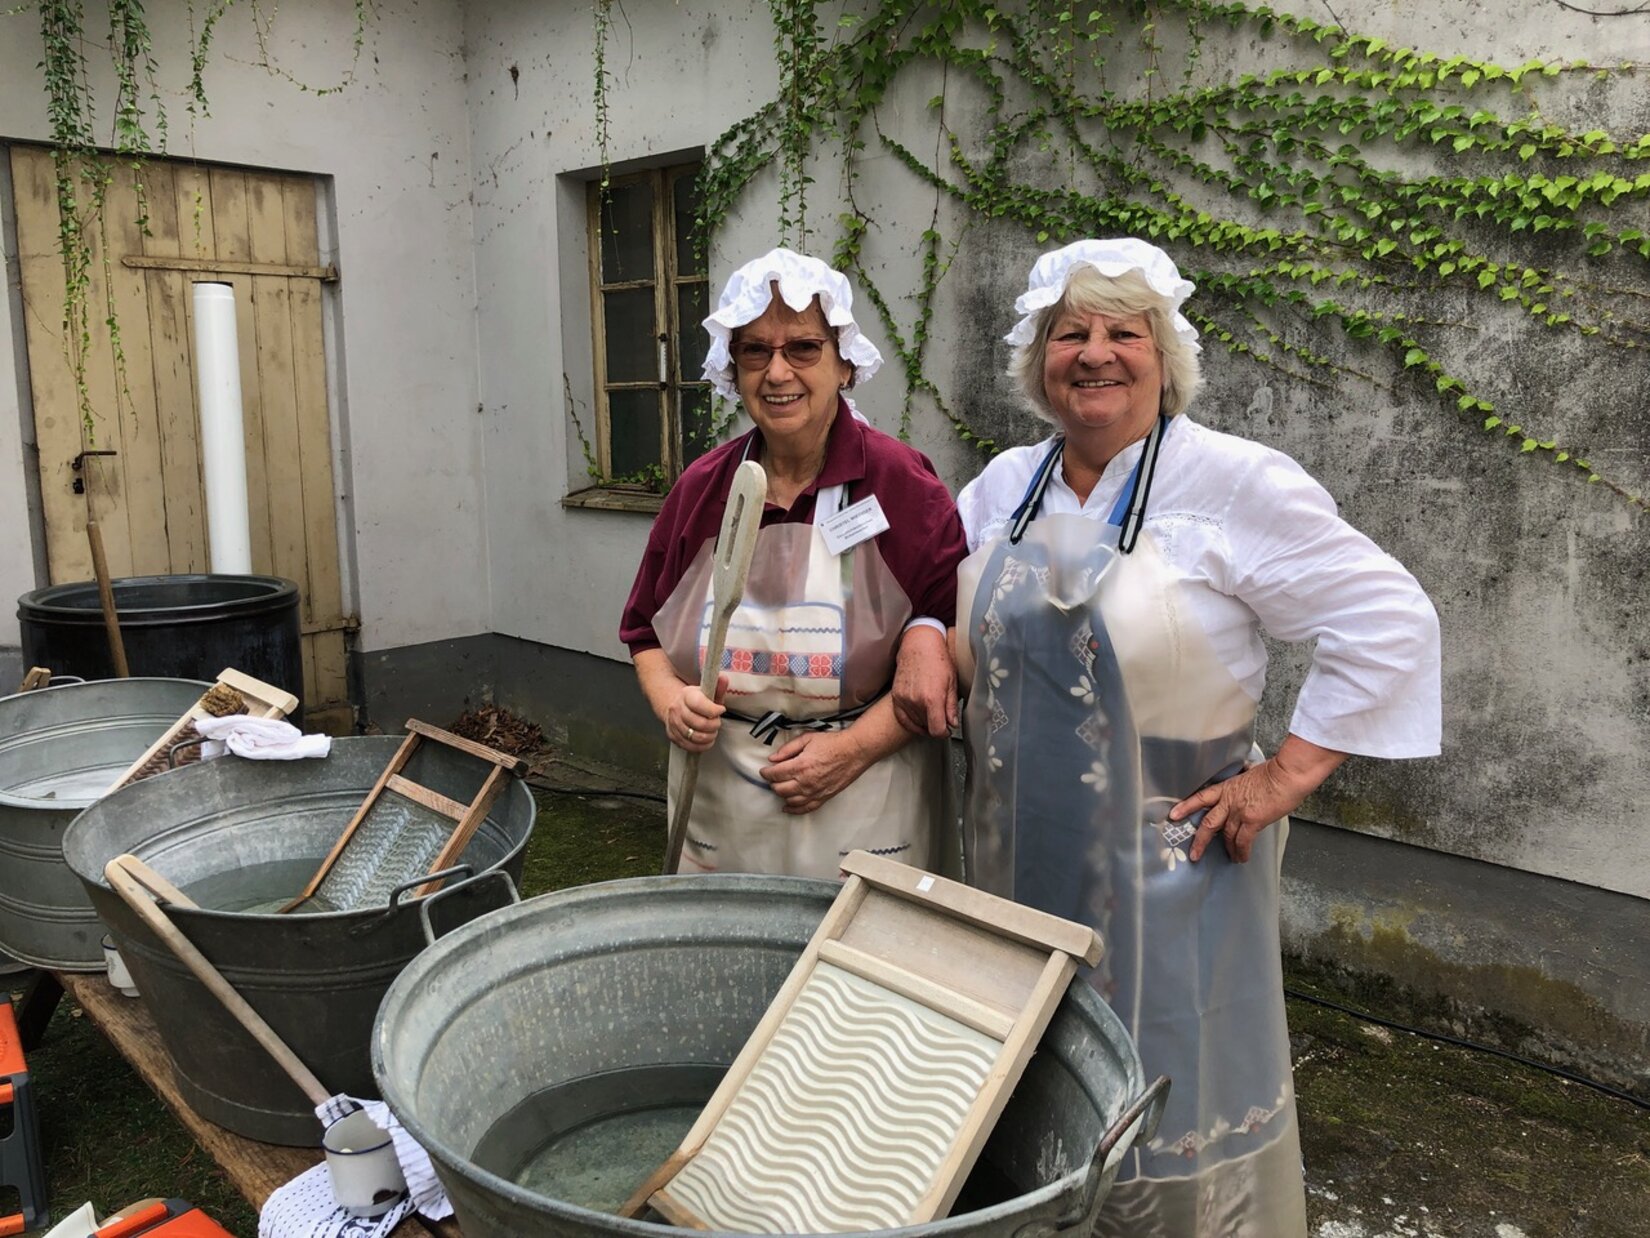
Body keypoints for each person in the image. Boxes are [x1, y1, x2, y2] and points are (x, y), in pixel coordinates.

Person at [947, 238, 1441, 1236]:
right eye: (1069, 332)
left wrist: (1283, 775)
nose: (1095, 352)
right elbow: (940, 604)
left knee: (1168, 1086)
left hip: (1169, 876)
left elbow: (1390, 618)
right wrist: (925, 640)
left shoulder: (1232, 481)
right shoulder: (1005, 485)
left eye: (1123, 333)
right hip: (1013, 865)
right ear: (1038, 358)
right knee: (1029, 1085)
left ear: (1164, 356)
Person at [620, 247, 965, 878]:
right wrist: (671, 700)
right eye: (755, 351)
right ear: (734, 368)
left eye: (803, 348)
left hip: (866, 791)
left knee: (855, 941)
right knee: (730, 938)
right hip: (724, 797)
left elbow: (950, 633)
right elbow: (643, 631)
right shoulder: (703, 489)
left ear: (844, 364)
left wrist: (853, 749)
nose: (778, 372)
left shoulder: (898, 483)